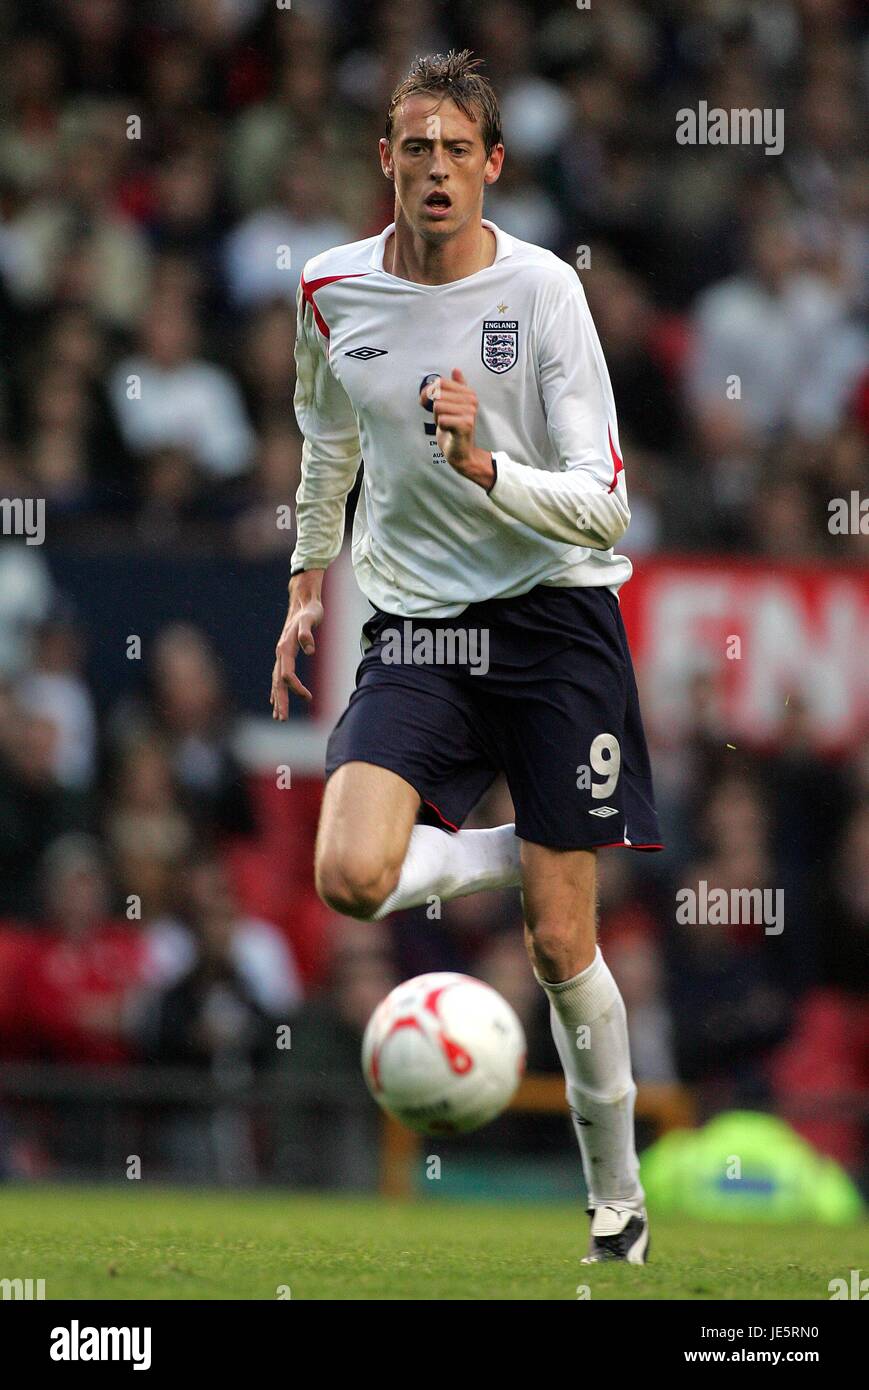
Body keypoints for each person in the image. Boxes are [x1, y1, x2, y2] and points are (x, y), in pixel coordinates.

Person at [270, 51, 662, 1264]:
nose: (433, 170)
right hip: (416, 628)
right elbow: (325, 440)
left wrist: (483, 464)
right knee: (344, 874)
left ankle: (616, 1210)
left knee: (558, 945)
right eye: (412, 147)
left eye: (456, 150)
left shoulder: (543, 292)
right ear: (384, 159)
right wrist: (303, 583)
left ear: (491, 165)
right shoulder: (329, 290)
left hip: (554, 617)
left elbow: (606, 506)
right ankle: (535, 844)